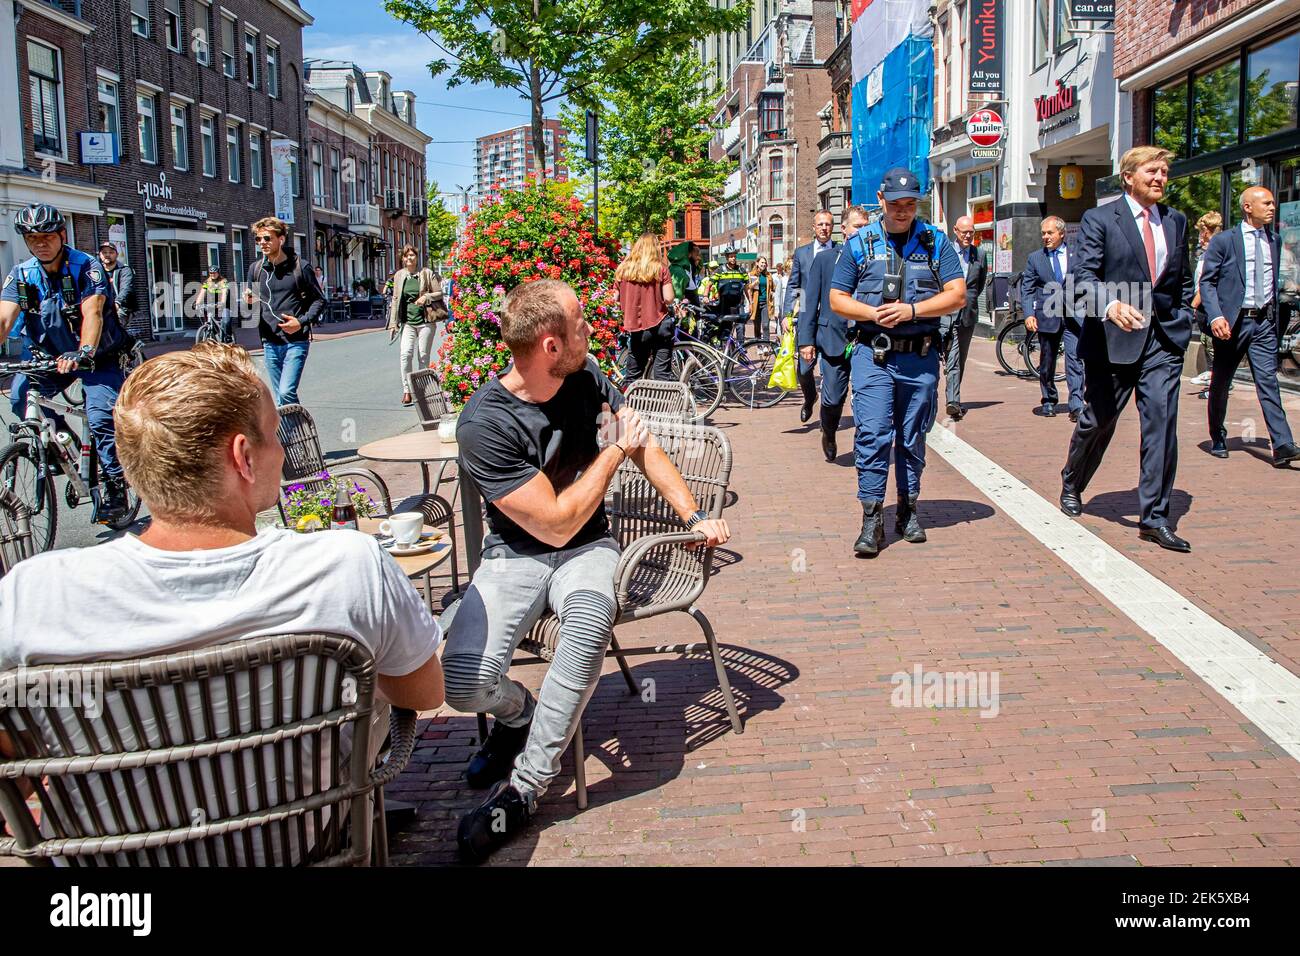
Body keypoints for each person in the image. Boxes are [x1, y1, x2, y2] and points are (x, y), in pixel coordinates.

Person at [0, 343, 445, 866]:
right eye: (275, 433)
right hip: (297, 851)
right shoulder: (346, 566)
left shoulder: (30, 596)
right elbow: (423, 690)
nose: (281, 448)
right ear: (243, 457)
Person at [444, 278, 730, 863]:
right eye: (579, 325)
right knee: (463, 682)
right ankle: (518, 714)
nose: (591, 331)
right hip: (518, 553)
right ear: (550, 345)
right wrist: (613, 452)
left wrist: (695, 513)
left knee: (589, 621)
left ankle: (525, 788)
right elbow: (553, 523)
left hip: (589, 550)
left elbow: (642, 443)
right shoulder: (485, 423)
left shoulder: (587, 376)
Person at [1060, 146, 1196, 552]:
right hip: (1111, 340)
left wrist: (1183, 316)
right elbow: (1081, 279)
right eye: (1152, 171)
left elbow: (1182, 279)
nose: (1160, 178)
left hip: (1163, 341)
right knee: (1098, 421)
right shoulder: (1100, 219)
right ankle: (1073, 479)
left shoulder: (1176, 221)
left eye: (1165, 172)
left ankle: (1154, 517)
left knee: (1161, 425)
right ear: (1129, 177)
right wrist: (1110, 303)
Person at [829, 168, 966, 557]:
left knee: (912, 438)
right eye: (895, 204)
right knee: (872, 435)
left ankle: (907, 510)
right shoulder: (860, 244)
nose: (903, 211)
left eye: (910, 204)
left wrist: (912, 309)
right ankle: (872, 517)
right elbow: (838, 298)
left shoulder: (935, 241)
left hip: (920, 358)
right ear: (881, 199)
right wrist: (873, 315)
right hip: (873, 355)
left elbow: (957, 295)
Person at [0, 203, 131, 521]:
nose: (40, 242)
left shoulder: (87, 267)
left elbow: (93, 312)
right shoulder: (21, 275)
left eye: (46, 236)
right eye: (32, 238)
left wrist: (84, 351)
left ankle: (116, 486)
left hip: (96, 357)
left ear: (61, 234)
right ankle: (61, 445)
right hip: (48, 358)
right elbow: (4, 320)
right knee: (19, 398)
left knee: (100, 418)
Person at [1198, 185, 1300, 467]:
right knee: (1221, 380)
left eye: (1272, 203)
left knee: (1268, 381)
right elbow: (1206, 282)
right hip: (1232, 323)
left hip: (1264, 322)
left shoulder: (1275, 240)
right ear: (1247, 207)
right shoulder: (1225, 241)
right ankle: (1217, 435)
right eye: (1265, 203)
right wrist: (1217, 316)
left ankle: (1282, 445)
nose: (1272, 207)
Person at [797, 204, 870, 462]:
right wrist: (805, 340)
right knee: (833, 397)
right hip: (832, 339)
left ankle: (866, 445)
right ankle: (828, 431)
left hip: (865, 339)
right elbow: (808, 301)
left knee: (867, 395)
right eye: (857, 227)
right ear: (844, 229)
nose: (863, 232)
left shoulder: (875, 259)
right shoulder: (826, 259)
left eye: (866, 227)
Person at [242, 216, 326, 406]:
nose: (262, 243)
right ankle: (293, 434)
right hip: (270, 342)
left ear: (281, 239)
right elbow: (251, 306)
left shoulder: (300, 267)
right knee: (280, 397)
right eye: (258, 239)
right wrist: (248, 301)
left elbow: (320, 300)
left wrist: (301, 321)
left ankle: (295, 432)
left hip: (296, 342)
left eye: (267, 238)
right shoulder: (255, 269)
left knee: (287, 391)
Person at [1021, 216, 1085, 421]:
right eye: (1043, 233)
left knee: (1075, 360)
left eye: (1050, 233)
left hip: (1074, 316)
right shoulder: (1035, 258)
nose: (1046, 237)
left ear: (1062, 233)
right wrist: (1029, 314)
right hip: (1047, 315)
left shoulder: (1077, 255)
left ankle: (1076, 404)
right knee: (1047, 361)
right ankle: (1048, 399)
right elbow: (1027, 289)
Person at [785, 210, 838, 423]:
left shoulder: (840, 252)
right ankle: (809, 398)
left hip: (831, 316)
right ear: (814, 228)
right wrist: (788, 313)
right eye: (820, 224)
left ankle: (828, 415)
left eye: (828, 224)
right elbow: (795, 285)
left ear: (832, 228)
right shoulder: (802, 253)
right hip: (807, 315)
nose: (824, 228)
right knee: (805, 370)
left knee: (830, 369)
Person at [938, 216, 988, 420]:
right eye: (964, 232)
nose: (968, 236)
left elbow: (980, 282)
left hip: (967, 314)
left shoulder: (980, 255)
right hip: (944, 313)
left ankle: (953, 400)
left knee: (958, 358)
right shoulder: (945, 251)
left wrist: (970, 300)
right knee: (946, 355)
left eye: (971, 232)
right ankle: (948, 395)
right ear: (955, 231)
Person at [387, 245, 444, 406]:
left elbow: (439, 293)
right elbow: (395, 299)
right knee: (405, 355)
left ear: (416, 257)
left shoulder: (426, 273)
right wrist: (393, 324)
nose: (409, 258)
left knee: (423, 356)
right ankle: (407, 391)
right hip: (408, 323)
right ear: (403, 259)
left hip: (425, 321)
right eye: (406, 256)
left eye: (412, 255)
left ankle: (422, 391)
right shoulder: (399, 275)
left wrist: (426, 297)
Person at [614, 233, 676, 382]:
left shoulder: (623, 269)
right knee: (662, 375)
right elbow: (668, 298)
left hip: (636, 327)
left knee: (633, 375)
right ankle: (662, 405)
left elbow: (614, 299)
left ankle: (631, 404)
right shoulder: (660, 268)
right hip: (659, 323)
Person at [98, 241, 137, 339]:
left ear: (117, 254)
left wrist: (118, 302)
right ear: (100, 255)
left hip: (121, 307)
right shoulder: (96, 271)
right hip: (102, 307)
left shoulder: (124, 269)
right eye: (104, 252)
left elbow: (126, 288)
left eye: (111, 252)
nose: (107, 255)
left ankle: (127, 347)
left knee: (114, 329)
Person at [191, 266, 233, 343]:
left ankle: (228, 336)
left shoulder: (223, 281)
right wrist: (197, 303)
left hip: (224, 304)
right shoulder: (207, 282)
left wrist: (222, 302)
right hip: (212, 304)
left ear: (218, 273)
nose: (212, 274)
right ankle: (211, 331)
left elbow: (224, 293)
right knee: (208, 319)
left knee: (226, 322)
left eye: (214, 273)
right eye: (211, 273)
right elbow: (202, 293)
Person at [747, 256, 774, 340]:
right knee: (757, 325)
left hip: (765, 303)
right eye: (762, 262)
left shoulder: (768, 275)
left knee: (765, 325)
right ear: (757, 263)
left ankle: (766, 344)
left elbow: (773, 287)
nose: (764, 264)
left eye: (765, 263)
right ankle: (758, 344)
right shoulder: (752, 274)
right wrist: (754, 283)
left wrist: (772, 293)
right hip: (755, 303)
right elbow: (748, 288)